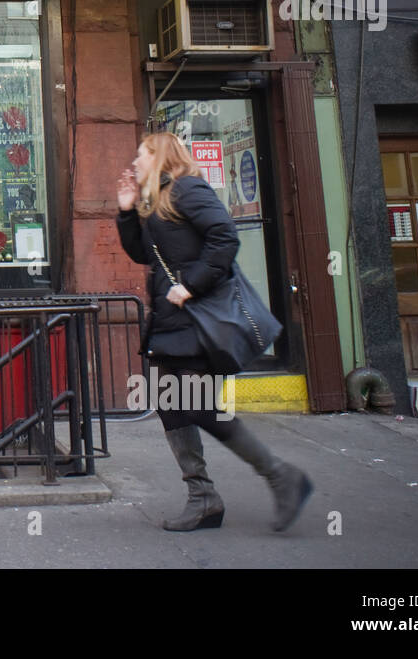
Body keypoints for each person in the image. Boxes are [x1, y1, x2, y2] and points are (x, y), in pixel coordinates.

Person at [116, 132, 313, 532]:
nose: (135, 161)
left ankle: (281, 476)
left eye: (141, 154)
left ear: (162, 157)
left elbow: (225, 237)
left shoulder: (188, 189)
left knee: (199, 406)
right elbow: (143, 254)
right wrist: (126, 211)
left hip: (199, 319)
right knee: (172, 406)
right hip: (172, 322)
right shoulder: (159, 199)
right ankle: (203, 498)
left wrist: (191, 284)